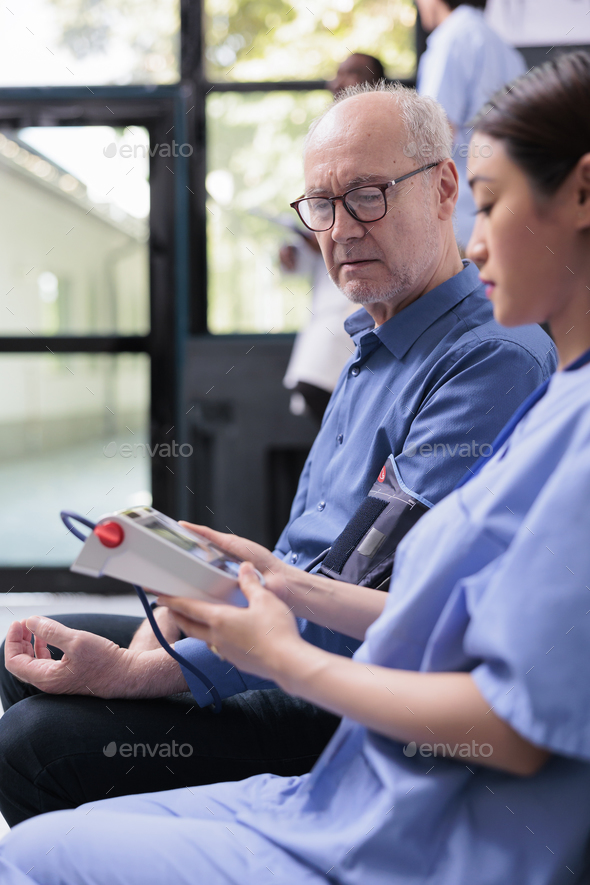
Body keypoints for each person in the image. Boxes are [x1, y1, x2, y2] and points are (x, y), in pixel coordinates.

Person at [2, 50, 590, 884]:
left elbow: (451, 652)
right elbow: (343, 574)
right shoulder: (376, 342)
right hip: (316, 660)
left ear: (445, 190)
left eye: (369, 197)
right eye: (322, 204)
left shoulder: (497, 363)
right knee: (29, 671)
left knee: (37, 749)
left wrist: (190, 655)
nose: (341, 230)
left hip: (350, 709)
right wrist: (231, 583)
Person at [281, 53, 385, 422]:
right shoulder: (320, 145)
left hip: (364, 306)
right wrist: (295, 249)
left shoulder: (389, 145)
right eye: (336, 75)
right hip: (331, 310)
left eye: (351, 74)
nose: (336, 82)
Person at [415, 0, 525, 248]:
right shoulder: (504, 49)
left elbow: (434, 132)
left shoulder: (451, 38)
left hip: (461, 218)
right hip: (503, 211)